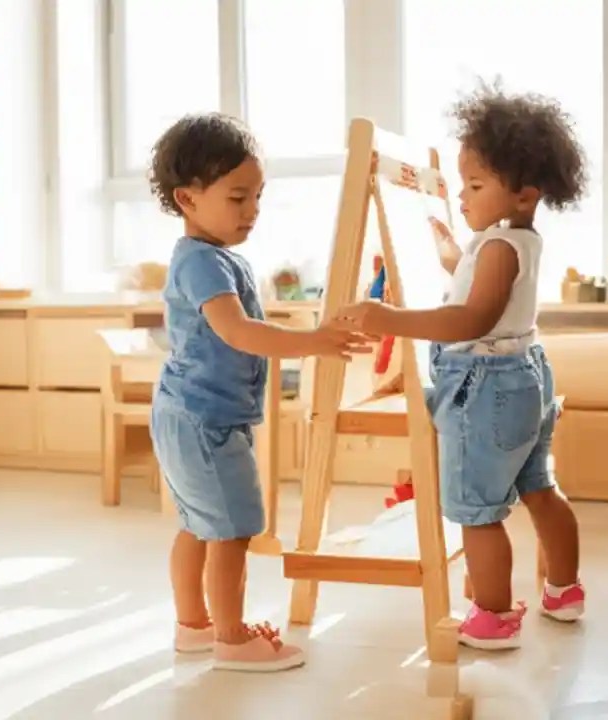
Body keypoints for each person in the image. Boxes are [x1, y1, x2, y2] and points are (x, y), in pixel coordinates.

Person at [333, 80, 587, 650]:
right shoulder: (511, 240)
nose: (464, 198)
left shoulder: (497, 247)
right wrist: (451, 251)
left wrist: (390, 318)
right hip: (523, 376)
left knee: (477, 511)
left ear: (524, 194)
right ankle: (564, 591)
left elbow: (472, 318)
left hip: (488, 388)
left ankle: (493, 617)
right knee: (539, 488)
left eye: (475, 186)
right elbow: (480, 285)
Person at [149, 113, 371, 671]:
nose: (251, 210)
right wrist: (313, 342)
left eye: (257, 197)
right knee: (233, 530)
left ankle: (194, 626)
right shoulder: (203, 263)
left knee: (199, 525)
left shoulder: (212, 258)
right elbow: (239, 331)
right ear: (187, 199)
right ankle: (231, 638)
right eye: (237, 197)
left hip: (189, 414)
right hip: (205, 420)